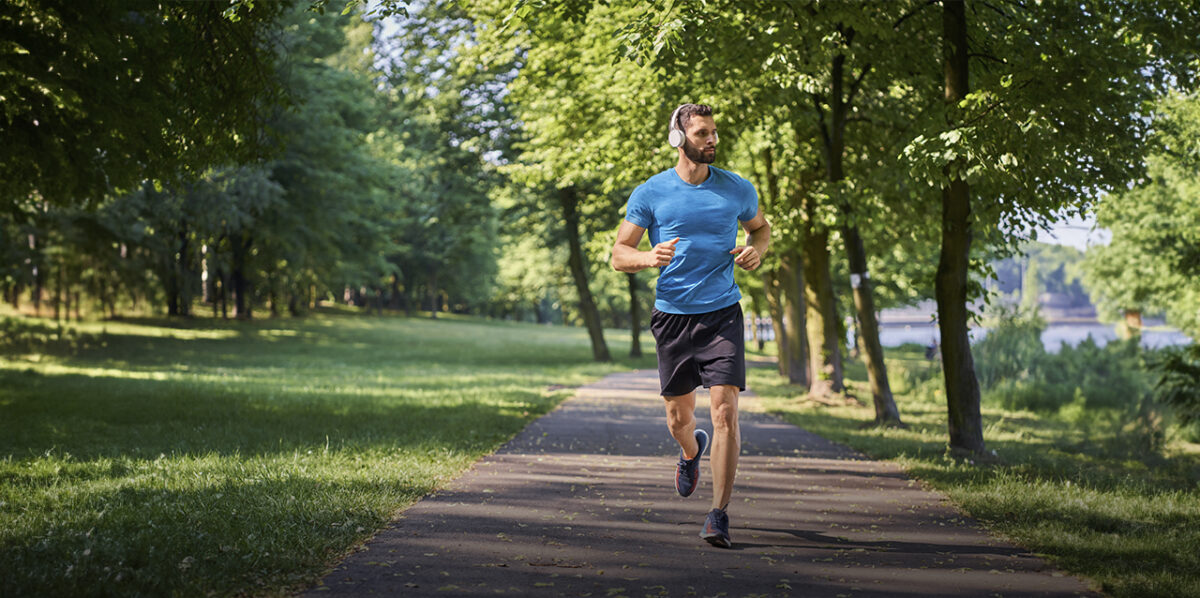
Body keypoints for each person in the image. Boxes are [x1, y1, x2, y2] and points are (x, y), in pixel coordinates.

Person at [610, 103, 771, 548]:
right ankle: (689, 452)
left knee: (725, 411)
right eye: (702, 134)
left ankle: (718, 514)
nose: (712, 140)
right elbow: (619, 253)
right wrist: (647, 257)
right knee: (679, 419)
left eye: (714, 132)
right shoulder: (651, 192)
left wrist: (758, 249)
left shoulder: (737, 188)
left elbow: (760, 229)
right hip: (673, 316)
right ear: (679, 139)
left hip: (722, 313)